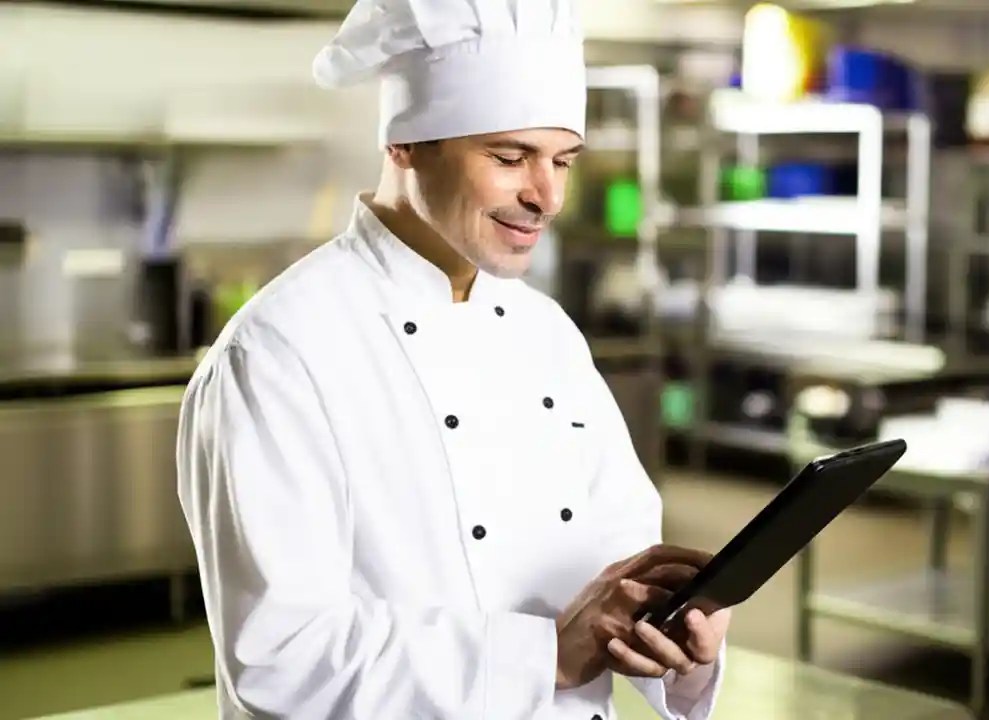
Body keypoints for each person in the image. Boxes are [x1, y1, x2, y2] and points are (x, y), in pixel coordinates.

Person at [174, 0, 730, 718]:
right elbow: (281, 659)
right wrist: (544, 658)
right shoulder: (280, 353)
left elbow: (620, 561)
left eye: (562, 161)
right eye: (509, 157)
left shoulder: (548, 333)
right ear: (404, 144)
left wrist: (677, 640)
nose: (547, 196)